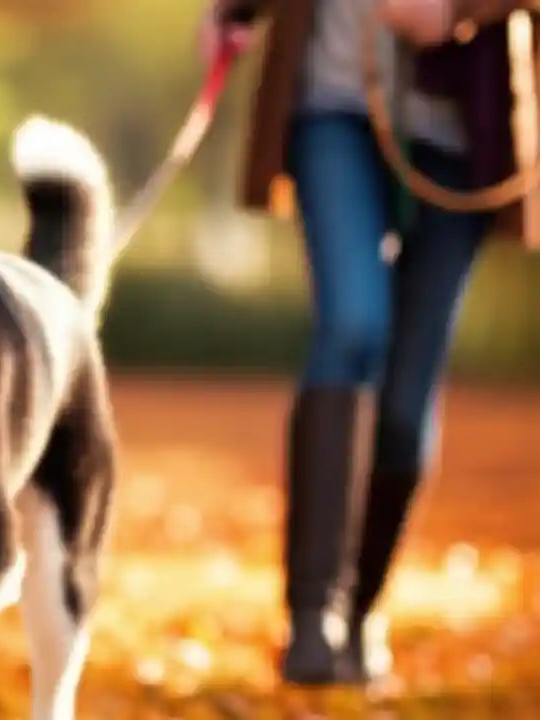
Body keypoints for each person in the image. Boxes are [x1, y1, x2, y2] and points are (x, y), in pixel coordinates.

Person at [202, 0, 539, 685]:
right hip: (332, 102)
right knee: (353, 326)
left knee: (408, 399)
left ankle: (359, 613)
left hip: (463, 136)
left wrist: (458, 11)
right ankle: (311, 618)